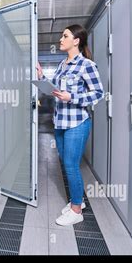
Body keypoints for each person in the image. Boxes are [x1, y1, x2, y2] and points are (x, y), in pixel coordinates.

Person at [36, 24, 104, 226]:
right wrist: (42, 79)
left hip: (77, 123)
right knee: (67, 163)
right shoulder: (62, 65)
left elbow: (98, 93)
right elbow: (55, 91)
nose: (60, 39)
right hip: (60, 122)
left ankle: (76, 211)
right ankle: (78, 200)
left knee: (71, 165)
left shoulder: (86, 65)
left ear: (76, 41)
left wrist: (71, 96)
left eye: (65, 36)